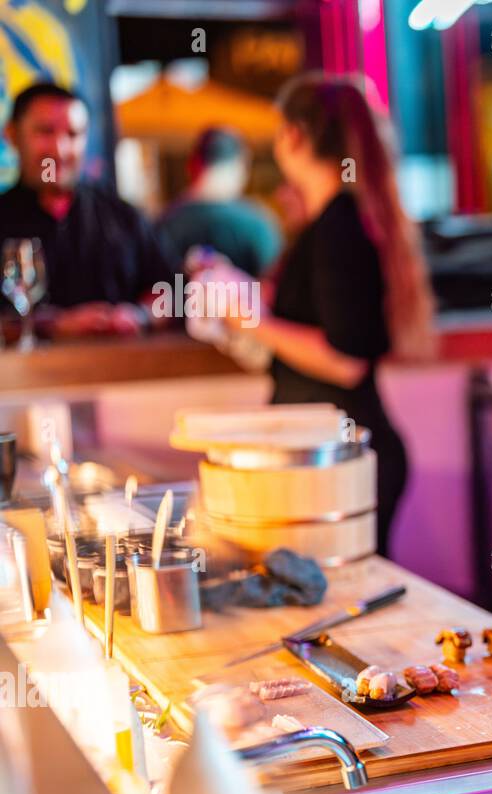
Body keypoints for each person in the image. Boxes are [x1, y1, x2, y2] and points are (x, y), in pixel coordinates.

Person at [199, 73, 435, 558]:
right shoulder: (334, 223)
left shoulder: (337, 228)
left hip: (342, 458)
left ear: (295, 136)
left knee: (346, 609)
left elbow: (346, 360)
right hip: (334, 456)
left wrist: (250, 320)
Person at [0, 81, 173, 337]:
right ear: (12, 135)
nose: (60, 150)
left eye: (73, 134)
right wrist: (51, 325)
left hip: (123, 372)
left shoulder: (123, 217)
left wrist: (139, 315)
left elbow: (171, 290)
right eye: (45, 132)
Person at [158, 126, 282, 277]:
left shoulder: (164, 223)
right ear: (240, 166)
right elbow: (273, 285)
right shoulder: (259, 225)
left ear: (193, 164)